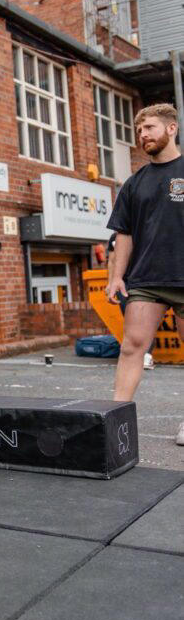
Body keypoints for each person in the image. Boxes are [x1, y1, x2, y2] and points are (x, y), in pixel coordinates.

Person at [106, 103, 184, 445]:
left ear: (171, 128)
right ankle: (113, 422)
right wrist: (116, 277)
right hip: (146, 278)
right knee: (132, 346)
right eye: (139, 130)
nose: (142, 135)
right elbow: (124, 234)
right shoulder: (134, 183)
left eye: (149, 127)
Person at [106, 231, 154, 370]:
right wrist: (110, 282)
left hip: (143, 280)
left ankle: (147, 354)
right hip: (124, 283)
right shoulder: (114, 238)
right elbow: (112, 261)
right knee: (129, 318)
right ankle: (133, 353)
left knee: (146, 319)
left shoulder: (143, 230)